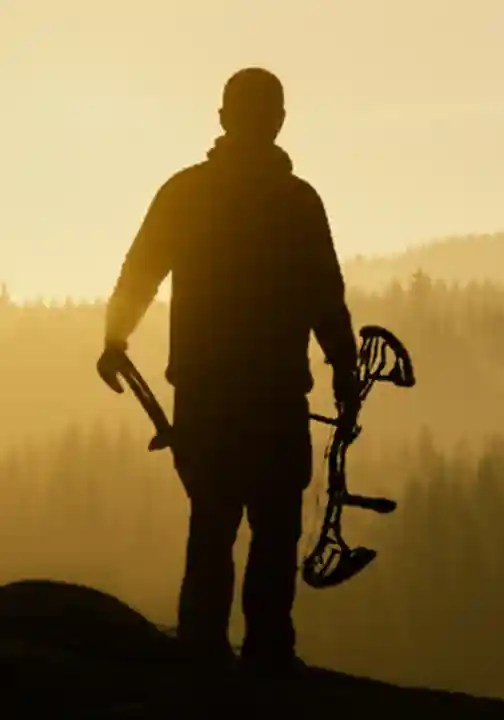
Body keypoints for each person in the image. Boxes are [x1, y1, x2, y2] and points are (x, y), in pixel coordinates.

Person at [95, 68, 359, 675]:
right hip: (272, 394)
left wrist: (115, 338)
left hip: (208, 392)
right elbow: (326, 294)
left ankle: (204, 652)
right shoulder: (297, 202)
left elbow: (140, 272)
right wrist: (343, 368)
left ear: (222, 118)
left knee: (213, 522)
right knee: (273, 528)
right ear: (279, 120)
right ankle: (265, 653)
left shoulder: (188, 193)